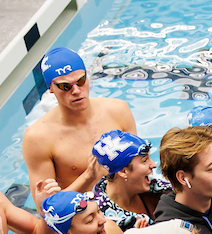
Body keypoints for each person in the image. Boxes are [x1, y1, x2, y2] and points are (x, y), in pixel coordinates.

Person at [22, 47, 137, 209]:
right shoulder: (37, 138)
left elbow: (141, 168)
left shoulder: (118, 110)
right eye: (65, 86)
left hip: (133, 207)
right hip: (89, 222)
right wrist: (88, 177)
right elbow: (47, 211)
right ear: (51, 89)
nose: (76, 91)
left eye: (81, 81)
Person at [90, 130, 172, 230]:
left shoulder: (156, 187)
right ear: (123, 172)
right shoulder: (105, 222)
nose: (154, 165)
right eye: (145, 161)